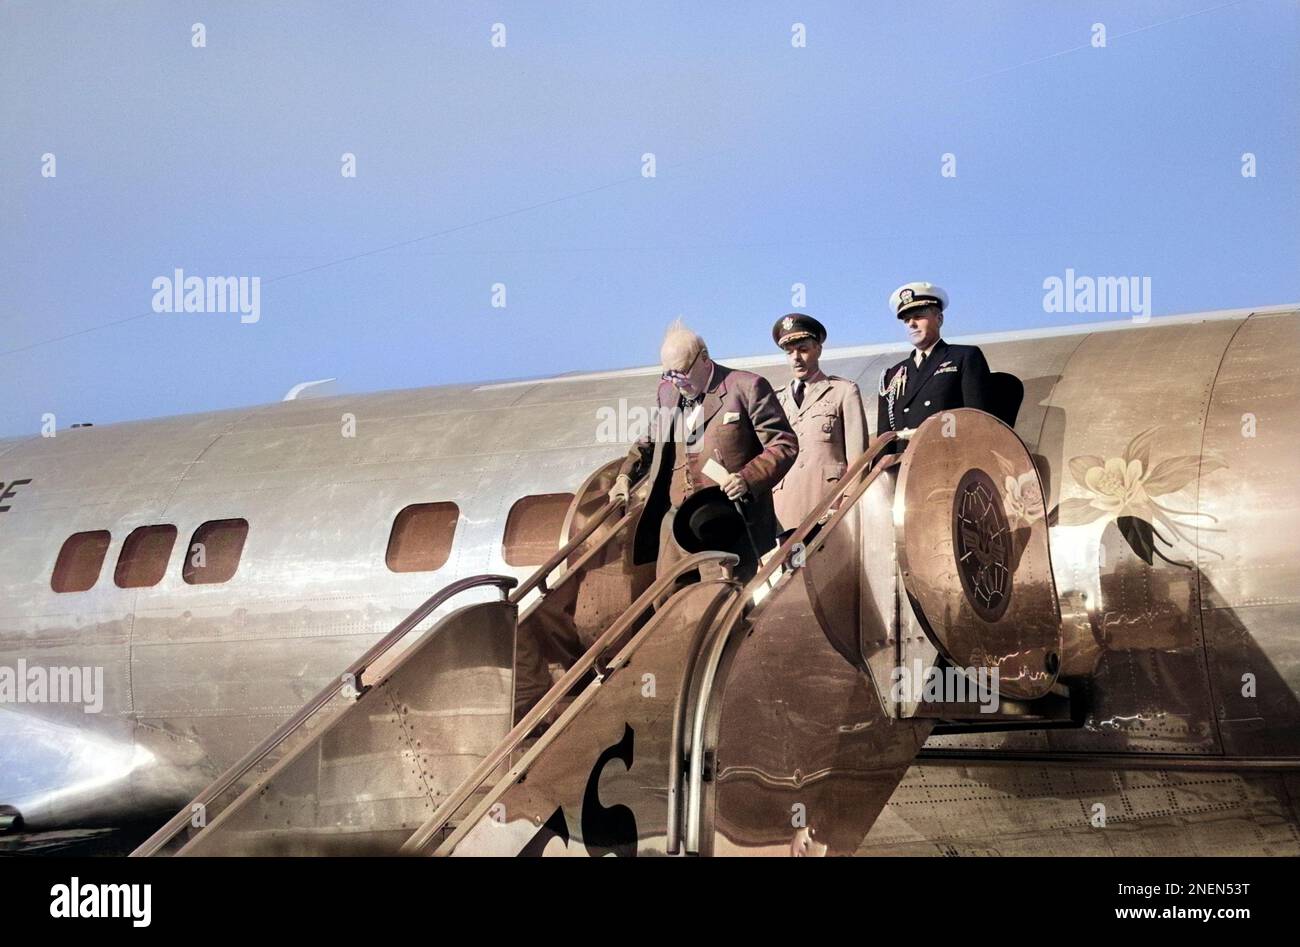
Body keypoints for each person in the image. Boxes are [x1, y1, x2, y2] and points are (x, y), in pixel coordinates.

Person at [609, 320, 797, 564]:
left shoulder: (747, 386)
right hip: (675, 522)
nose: (677, 381)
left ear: (704, 357)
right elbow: (649, 441)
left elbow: (783, 444)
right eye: (669, 374)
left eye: (682, 372)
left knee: (722, 597)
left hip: (727, 520)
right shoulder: (667, 392)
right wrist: (624, 477)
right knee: (668, 597)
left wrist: (747, 479)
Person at [769, 313, 867, 532]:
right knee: (791, 566)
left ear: (818, 350)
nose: (796, 357)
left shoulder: (843, 391)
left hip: (829, 505)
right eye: (789, 352)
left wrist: (848, 502)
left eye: (803, 349)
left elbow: (858, 457)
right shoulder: (776, 400)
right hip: (784, 510)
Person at [876, 282, 994, 448]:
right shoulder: (893, 375)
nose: (911, 324)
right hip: (903, 465)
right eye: (907, 320)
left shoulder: (964, 357)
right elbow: (884, 437)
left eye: (918, 316)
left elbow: (978, 421)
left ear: (939, 319)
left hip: (948, 459)